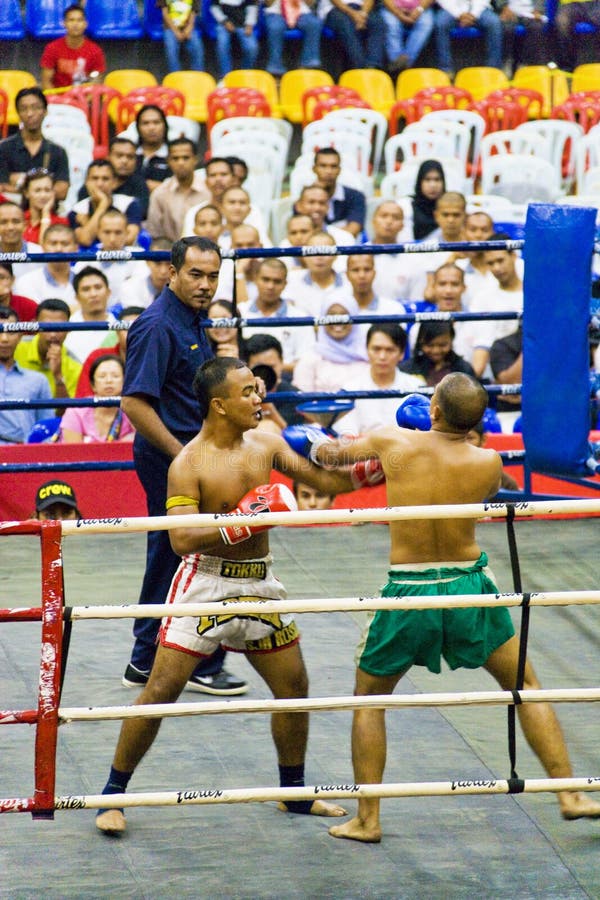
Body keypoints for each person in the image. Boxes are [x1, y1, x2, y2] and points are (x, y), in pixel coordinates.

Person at [288, 372, 600, 842]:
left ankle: (367, 819)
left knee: (369, 702)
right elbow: (490, 489)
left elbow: (330, 456)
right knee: (525, 685)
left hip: (410, 590)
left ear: (432, 410)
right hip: (470, 587)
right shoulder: (489, 461)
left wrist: (305, 435)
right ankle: (569, 794)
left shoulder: (395, 440)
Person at [95, 354, 366, 835]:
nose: (259, 398)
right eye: (247, 392)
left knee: (294, 688)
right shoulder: (188, 463)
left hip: (260, 582)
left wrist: (379, 465)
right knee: (159, 692)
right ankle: (111, 796)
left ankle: (294, 794)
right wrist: (240, 520)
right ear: (219, 405)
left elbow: (325, 482)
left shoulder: (267, 442)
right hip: (205, 582)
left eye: (257, 389)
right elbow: (180, 540)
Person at [120, 236, 248, 696]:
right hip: (168, 457)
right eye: (195, 274)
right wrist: (184, 458)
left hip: (186, 455)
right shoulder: (157, 326)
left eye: (213, 276)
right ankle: (196, 660)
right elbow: (134, 403)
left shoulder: (192, 320)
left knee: (173, 552)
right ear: (171, 273)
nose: (205, 284)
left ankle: (146, 658)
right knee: (193, 552)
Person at [337, 323, 422, 435]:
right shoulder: (349, 389)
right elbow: (347, 436)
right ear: (367, 350)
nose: (382, 356)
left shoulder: (416, 387)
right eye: (376, 349)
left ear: (401, 354)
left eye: (390, 350)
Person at [238, 258, 314, 375]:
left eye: (277, 281)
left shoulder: (300, 317)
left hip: (286, 381)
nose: (270, 286)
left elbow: (306, 362)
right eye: (265, 279)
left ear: (285, 284)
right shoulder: (240, 312)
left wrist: (267, 369)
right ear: (255, 278)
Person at [0, 88, 70, 203]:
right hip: (11, 212)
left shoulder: (57, 151)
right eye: (24, 109)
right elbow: (1, 188)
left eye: (35, 107)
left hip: (48, 212)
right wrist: (44, 188)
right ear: (18, 113)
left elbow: (62, 191)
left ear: (45, 111)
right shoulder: (4, 149)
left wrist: (19, 182)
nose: (30, 114)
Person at [293, 296, 369, 393]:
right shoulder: (310, 358)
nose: (337, 320)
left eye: (344, 315)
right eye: (331, 315)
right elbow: (302, 401)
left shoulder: (368, 355)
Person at [0, 307, 53, 445]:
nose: (4, 338)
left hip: (26, 456)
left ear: (20, 336)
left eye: (11, 332)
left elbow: (46, 429)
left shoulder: (38, 380)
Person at [14, 298, 82, 401]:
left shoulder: (75, 366)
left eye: (59, 328)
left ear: (69, 329)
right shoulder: (14, 349)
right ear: (34, 326)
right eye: (47, 327)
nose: (53, 334)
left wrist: (58, 377)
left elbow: (65, 414)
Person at [60, 355, 135, 443]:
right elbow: (72, 453)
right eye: (102, 376)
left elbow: (145, 442)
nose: (109, 380)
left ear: (125, 381)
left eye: (115, 376)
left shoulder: (132, 410)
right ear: (93, 385)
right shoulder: (76, 411)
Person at [146, 139, 210, 243]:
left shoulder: (209, 190)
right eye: (175, 158)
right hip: (172, 254)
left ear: (196, 159)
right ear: (168, 161)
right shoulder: (160, 194)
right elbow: (155, 234)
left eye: (186, 158)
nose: (181, 163)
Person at [68, 160, 142, 249]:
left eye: (105, 179)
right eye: (95, 178)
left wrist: (87, 223)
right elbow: (85, 240)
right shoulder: (77, 210)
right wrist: (103, 205)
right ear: (86, 182)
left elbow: (130, 239)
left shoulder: (129, 204)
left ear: (114, 182)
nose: (99, 184)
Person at [75, 306, 144, 397]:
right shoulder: (97, 356)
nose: (134, 334)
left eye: (140, 329)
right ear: (117, 332)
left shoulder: (160, 358)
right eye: (127, 329)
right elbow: (83, 398)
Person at [40, 3, 105, 90]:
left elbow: (96, 83)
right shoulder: (52, 48)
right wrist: (61, 101)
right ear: (64, 23)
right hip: (57, 99)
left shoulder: (95, 51)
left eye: (79, 20)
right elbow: (46, 82)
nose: (75, 24)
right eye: (71, 20)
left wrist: (82, 101)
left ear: (85, 24)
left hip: (84, 99)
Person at [14, 224, 78, 311]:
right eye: (53, 243)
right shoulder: (27, 281)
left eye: (65, 244)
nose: (59, 249)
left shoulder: (85, 281)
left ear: (75, 248)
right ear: (43, 246)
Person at [246, 332, 304, 427]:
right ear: (247, 366)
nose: (265, 373)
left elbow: (287, 435)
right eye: (260, 368)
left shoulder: (294, 396)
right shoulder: (237, 394)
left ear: (281, 363)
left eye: (271, 367)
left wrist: (266, 405)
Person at [64, 266, 118, 364]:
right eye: (86, 289)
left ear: (109, 292)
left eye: (98, 287)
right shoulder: (66, 330)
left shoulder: (120, 330)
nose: (93, 294)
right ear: (77, 297)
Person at [434, 0, 502, 74]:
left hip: (479, 9)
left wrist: (473, 14)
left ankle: (493, 70)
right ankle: (446, 70)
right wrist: (459, 14)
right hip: (451, 9)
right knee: (441, 23)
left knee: (494, 22)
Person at [312, 147, 366, 240]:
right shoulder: (304, 199)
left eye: (333, 166)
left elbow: (353, 230)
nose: (328, 171)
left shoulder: (356, 196)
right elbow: (303, 233)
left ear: (339, 170)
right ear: (314, 169)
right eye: (323, 166)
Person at [401, 320, 477, 386]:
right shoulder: (407, 368)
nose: (436, 351)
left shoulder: (464, 369)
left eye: (442, 345)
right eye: (430, 345)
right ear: (420, 342)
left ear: (451, 341)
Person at [263, 0, 323, 76]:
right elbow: (268, 3)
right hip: (276, 13)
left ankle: (307, 65)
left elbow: (310, 3)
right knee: (275, 27)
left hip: (301, 13)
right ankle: (275, 70)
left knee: (314, 24)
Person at [321, 0, 386, 69]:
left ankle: (373, 65)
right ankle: (359, 66)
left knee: (377, 23)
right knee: (346, 25)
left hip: (360, 9)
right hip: (334, 10)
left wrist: (363, 14)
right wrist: (354, 14)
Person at [381, 0, 435, 74]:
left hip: (420, 8)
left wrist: (419, 10)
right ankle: (396, 61)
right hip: (392, 8)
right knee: (392, 25)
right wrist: (398, 13)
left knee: (425, 24)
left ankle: (403, 64)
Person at [399, 160, 446, 242]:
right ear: (419, 182)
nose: (433, 185)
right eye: (427, 180)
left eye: (437, 179)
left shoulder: (451, 205)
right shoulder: (407, 205)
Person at [466, 419, 520, 490]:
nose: (464, 444)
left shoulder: (506, 484)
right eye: (457, 439)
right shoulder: (447, 476)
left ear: (483, 440)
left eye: (469, 438)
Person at [210, 0, 259, 79]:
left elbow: (252, 8)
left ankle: (245, 75)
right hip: (223, 24)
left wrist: (249, 24)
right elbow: (214, 8)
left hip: (243, 24)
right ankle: (226, 76)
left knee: (251, 47)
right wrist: (225, 22)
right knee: (222, 44)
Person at [120, 237, 173, 309]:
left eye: (168, 264)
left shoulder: (184, 289)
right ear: (148, 262)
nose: (163, 271)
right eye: (157, 263)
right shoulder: (131, 287)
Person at [21, 168, 69, 246]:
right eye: (37, 190)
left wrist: (45, 213)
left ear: (53, 193)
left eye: (47, 190)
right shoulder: (19, 220)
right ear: (26, 193)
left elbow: (44, 250)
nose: (43, 195)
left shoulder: (61, 223)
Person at [157, 0, 205, 73]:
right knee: (171, 49)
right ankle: (175, 75)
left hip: (188, 27)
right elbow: (165, 14)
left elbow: (193, 13)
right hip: (170, 27)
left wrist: (188, 29)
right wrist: (176, 31)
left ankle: (198, 74)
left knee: (197, 47)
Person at [0, 201, 43, 279]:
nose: (10, 227)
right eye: (3, 222)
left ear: (25, 225)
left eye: (16, 221)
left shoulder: (40, 254)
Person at [134, 105, 172, 195]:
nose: (151, 128)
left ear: (165, 126)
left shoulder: (174, 154)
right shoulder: (129, 154)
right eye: (145, 123)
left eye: (156, 122)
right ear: (138, 127)